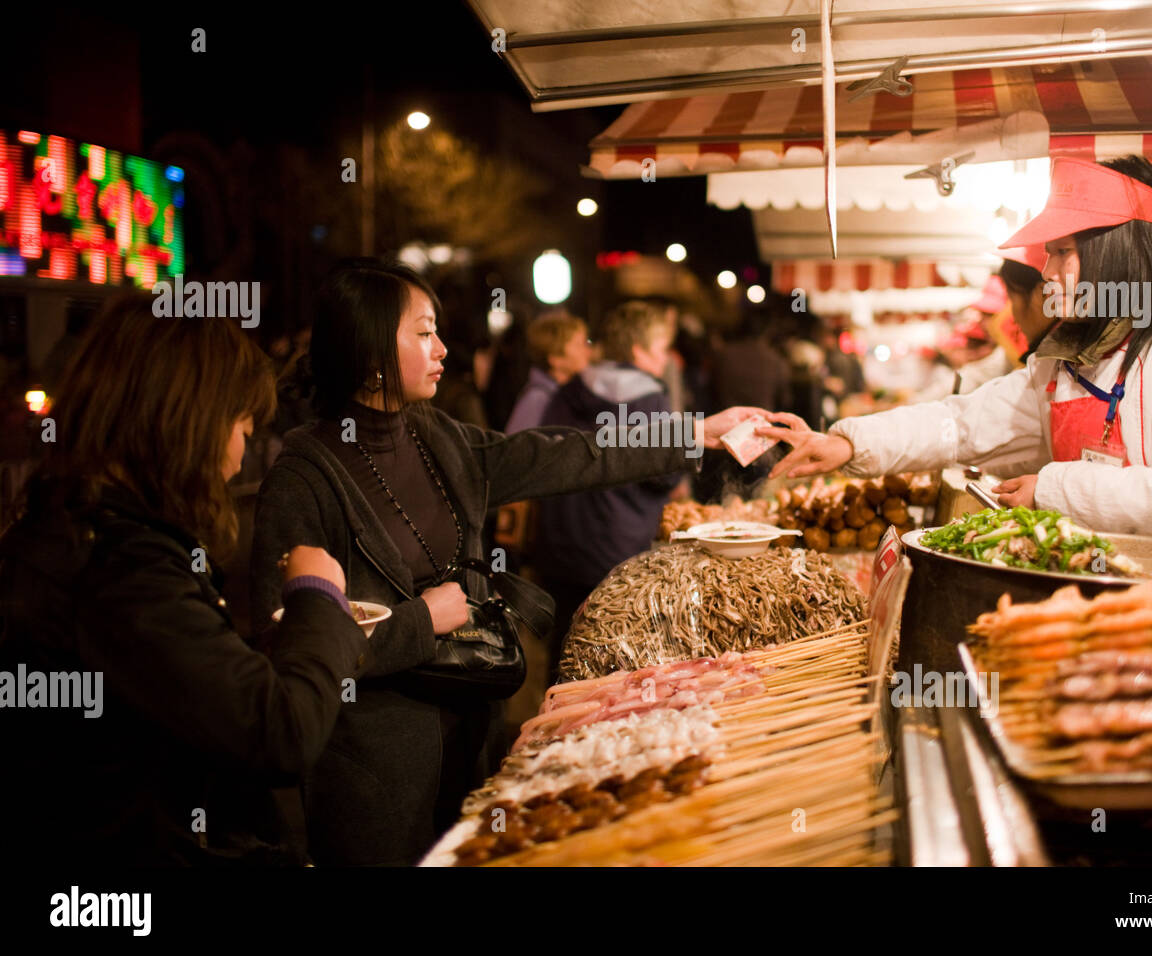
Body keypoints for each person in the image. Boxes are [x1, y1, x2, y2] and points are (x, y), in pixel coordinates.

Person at [250, 260, 764, 865]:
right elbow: (285, 644)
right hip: (374, 767)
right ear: (367, 344)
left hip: (476, 730)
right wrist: (419, 622)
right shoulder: (304, 476)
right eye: (422, 332)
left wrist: (693, 432)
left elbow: (572, 453)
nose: (442, 347)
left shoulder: (435, 435)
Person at [0, 293, 368, 866]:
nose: (243, 449)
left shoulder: (84, 531)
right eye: (240, 422)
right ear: (186, 418)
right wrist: (319, 598)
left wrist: (265, 649)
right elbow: (278, 733)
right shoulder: (120, 570)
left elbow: (178, 688)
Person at [760, 156, 1152, 547]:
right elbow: (962, 425)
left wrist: (1051, 490)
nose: (1047, 273)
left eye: (1061, 252)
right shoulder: (1067, 361)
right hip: (1081, 599)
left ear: (1115, 249)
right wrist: (851, 443)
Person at [534, 301, 688, 664]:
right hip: (616, 551)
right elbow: (664, 472)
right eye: (660, 349)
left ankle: (553, 719)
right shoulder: (649, 398)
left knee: (564, 653)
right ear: (638, 350)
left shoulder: (569, 389)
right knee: (610, 657)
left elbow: (543, 454)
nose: (664, 359)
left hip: (559, 545)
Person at [504, 312, 591, 434]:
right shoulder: (538, 398)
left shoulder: (565, 395)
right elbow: (514, 448)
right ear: (555, 358)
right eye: (578, 345)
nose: (587, 351)